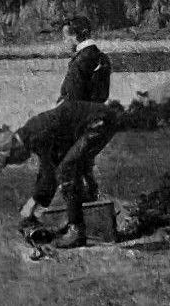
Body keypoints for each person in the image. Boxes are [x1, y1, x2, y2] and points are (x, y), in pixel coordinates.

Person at [0, 101, 117, 249]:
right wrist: (36, 207)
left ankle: (76, 231)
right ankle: (82, 215)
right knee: (72, 165)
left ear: (15, 146)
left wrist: (32, 204)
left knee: (67, 169)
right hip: (98, 120)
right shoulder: (30, 134)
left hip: (99, 121)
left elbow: (49, 174)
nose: (15, 163)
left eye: (11, 160)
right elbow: (49, 169)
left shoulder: (36, 135)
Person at [54, 15, 112, 201]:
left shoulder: (82, 61)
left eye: (65, 37)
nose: (64, 42)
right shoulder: (99, 57)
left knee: (68, 167)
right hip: (95, 118)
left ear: (75, 36)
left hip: (82, 122)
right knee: (82, 164)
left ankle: (77, 220)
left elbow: (74, 97)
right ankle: (87, 207)